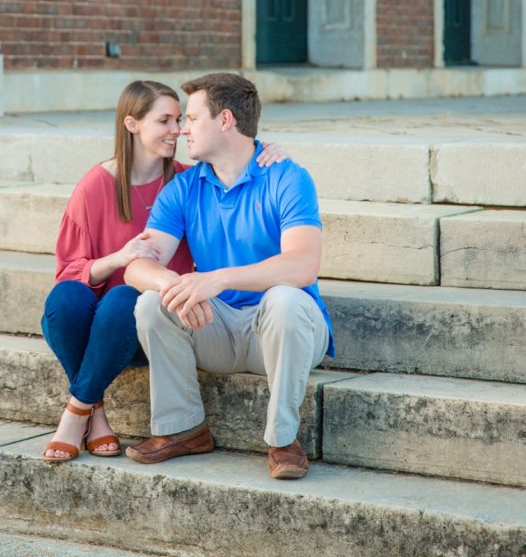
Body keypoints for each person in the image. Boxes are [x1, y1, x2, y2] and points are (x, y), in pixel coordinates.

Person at [40, 78, 290, 464]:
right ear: (132, 124)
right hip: (100, 327)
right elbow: (70, 269)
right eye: (165, 121)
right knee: (65, 298)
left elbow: (235, 153)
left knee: (127, 298)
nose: (178, 130)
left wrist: (265, 150)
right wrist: (120, 258)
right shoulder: (94, 186)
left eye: (181, 119)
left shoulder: (186, 180)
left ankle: (76, 411)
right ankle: (93, 408)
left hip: (149, 322)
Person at [124, 72, 335, 480]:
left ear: (224, 121)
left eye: (192, 118)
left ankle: (283, 440)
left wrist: (217, 279)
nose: (183, 128)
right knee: (153, 302)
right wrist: (177, 285)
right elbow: (137, 266)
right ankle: (182, 429)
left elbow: (302, 265)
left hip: (284, 330)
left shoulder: (288, 177)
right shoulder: (184, 187)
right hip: (217, 327)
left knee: (287, 298)